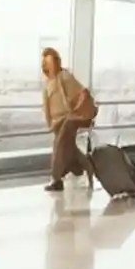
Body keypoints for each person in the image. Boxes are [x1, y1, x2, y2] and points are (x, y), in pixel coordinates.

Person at [40, 47, 94, 192]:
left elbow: (83, 92)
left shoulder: (64, 76)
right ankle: (88, 166)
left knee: (59, 145)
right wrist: (50, 123)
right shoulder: (48, 84)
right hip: (58, 122)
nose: (47, 65)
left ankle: (56, 179)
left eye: (50, 61)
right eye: (45, 62)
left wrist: (76, 109)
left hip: (68, 119)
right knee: (69, 149)